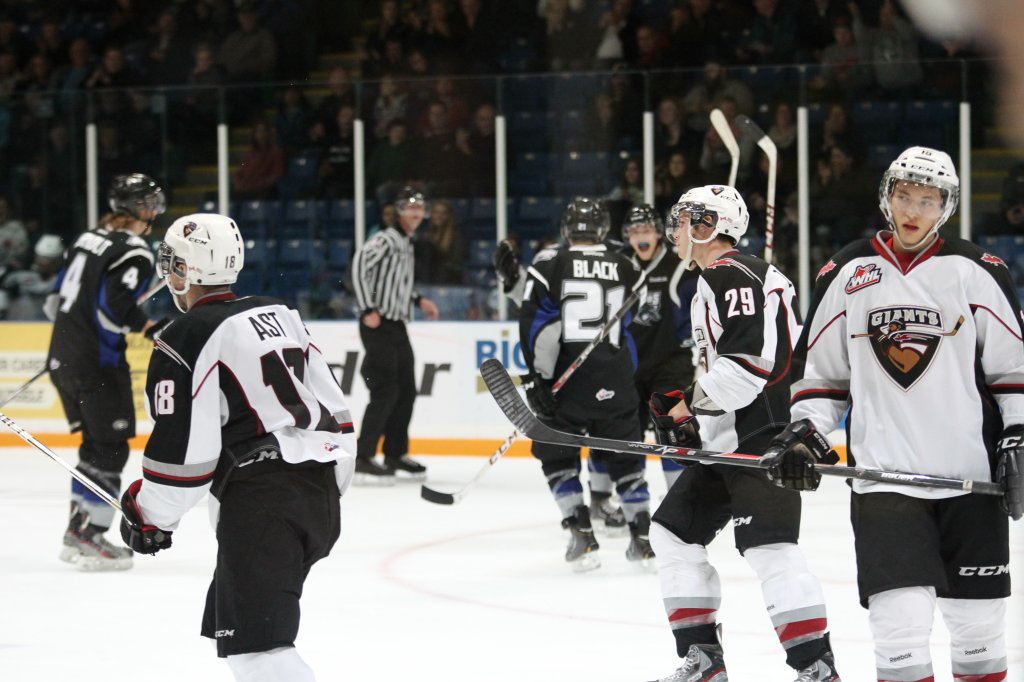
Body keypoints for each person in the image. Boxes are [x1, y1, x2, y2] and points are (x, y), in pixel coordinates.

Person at [762, 146, 1022, 682]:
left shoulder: (978, 270)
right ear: (887, 195)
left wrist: (1018, 434)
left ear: (945, 207)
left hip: (970, 479)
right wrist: (806, 432)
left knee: (979, 632)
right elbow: (823, 377)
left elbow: (1012, 373)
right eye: (905, 195)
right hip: (884, 480)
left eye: (927, 200)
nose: (913, 210)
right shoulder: (848, 271)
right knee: (898, 627)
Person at [118, 212, 356, 682]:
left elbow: (185, 454)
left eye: (172, 263)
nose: (167, 274)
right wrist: (319, 487)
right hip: (317, 495)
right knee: (245, 643)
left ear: (185, 269)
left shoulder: (184, 336)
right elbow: (337, 412)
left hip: (263, 502)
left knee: (260, 653)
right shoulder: (278, 313)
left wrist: (149, 515)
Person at [646, 185, 841, 681]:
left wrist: (685, 404)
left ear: (710, 225)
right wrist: (691, 421)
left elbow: (747, 367)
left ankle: (817, 667)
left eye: (688, 218)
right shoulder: (730, 275)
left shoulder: (728, 273)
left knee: (770, 548)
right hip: (730, 440)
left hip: (763, 436)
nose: (678, 228)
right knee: (672, 535)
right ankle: (704, 660)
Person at [518, 197, 653, 571]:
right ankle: (641, 538)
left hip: (568, 383)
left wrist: (538, 379)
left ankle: (581, 532)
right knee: (626, 458)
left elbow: (541, 329)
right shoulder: (627, 265)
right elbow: (633, 322)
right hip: (618, 379)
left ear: (566, 228)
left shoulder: (549, 262)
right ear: (603, 230)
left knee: (555, 453)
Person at [46, 173, 167, 571]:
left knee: (95, 448)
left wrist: (73, 342)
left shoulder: (87, 238)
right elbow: (111, 308)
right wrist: (147, 327)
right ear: (137, 209)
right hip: (99, 364)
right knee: (111, 449)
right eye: (149, 202)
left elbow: (54, 302)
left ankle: (77, 530)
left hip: (62, 358)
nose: (154, 209)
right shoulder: (134, 250)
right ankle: (91, 534)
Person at [350, 187, 438, 484]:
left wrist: (417, 299)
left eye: (420, 207)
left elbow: (394, 282)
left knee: (407, 390)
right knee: (386, 390)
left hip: (396, 323)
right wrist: (366, 308)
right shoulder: (386, 238)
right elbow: (360, 265)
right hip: (379, 323)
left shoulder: (405, 242)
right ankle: (363, 456)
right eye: (410, 207)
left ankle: (394, 452)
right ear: (399, 212)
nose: (416, 213)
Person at [621, 205, 698, 491]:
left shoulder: (679, 264)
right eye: (635, 231)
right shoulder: (620, 266)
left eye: (647, 230)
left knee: (671, 432)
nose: (641, 236)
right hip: (628, 368)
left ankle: (677, 498)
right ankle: (626, 501)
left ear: (658, 234)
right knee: (626, 435)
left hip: (670, 365)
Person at [0, 233, 63, 320]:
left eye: (46, 259)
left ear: (57, 261)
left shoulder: (63, 279)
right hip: (20, 323)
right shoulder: (19, 275)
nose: (41, 262)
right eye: (39, 257)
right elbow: (3, 289)